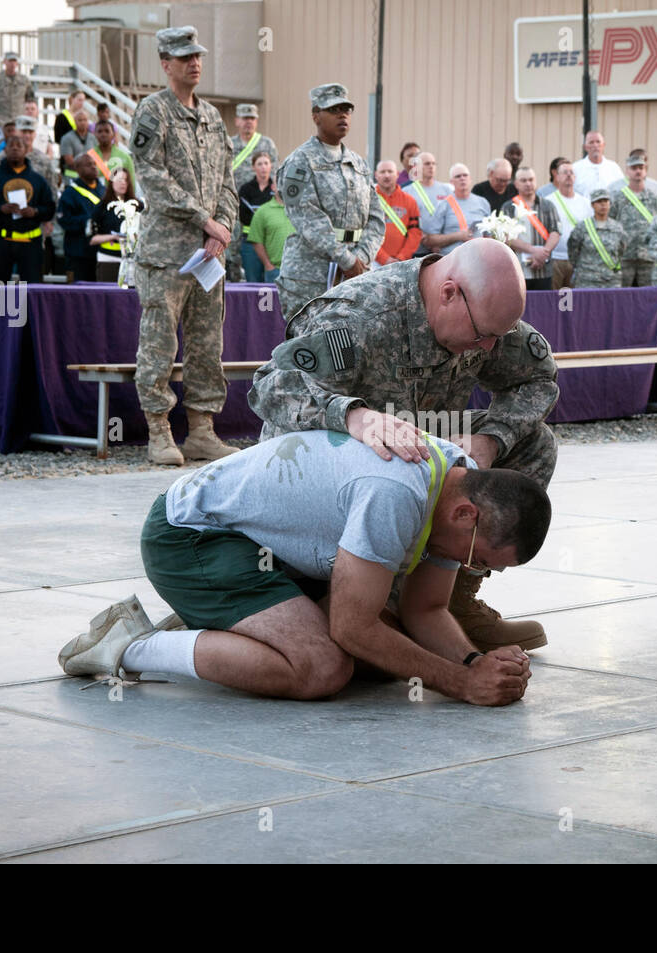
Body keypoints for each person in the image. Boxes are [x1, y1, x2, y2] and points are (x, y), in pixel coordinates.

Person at [59, 430, 551, 705]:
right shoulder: (397, 492)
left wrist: (473, 663)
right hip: (192, 535)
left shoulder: (456, 481)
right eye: (476, 561)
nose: (471, 570)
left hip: (266, 548)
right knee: (321, 668)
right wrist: (462, 685)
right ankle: (129, 644)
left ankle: (220, 622)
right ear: (467, 515)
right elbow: (352, 628)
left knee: (386, 658)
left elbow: (426, 609)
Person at [248, 238, 559, 652]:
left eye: (496, 338)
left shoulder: (481, 316)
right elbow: (270, 386)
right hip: (335, 477)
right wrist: (354, 416)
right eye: (483, 335)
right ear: (449, 293)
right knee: (348, 658)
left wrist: (489, 440)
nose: (488, 348)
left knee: (535, 443)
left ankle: (450, 601)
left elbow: (539, 379)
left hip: (412, 458)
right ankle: (368, 605)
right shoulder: (363, 315)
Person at [130, 26, 240, 466]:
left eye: (198, 56)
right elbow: (153, 177)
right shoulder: (152, 112)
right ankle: (158, 432)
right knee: (159, 344)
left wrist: (224, 224)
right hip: (168, 255)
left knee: (206, 343)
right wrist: (204, 219)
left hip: (210, 255)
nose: (195, 63)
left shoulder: (213, 117)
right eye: (185, 58)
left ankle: (200, 431)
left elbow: (228, 181)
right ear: (165, 64)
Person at [275, 82, 386, 323]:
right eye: (334, 110)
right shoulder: (299, 162)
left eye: (346, 110)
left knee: (345, 347)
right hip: (310, 275)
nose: (342, 115)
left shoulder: (358, 164)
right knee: (308, 349)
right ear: (316, 115)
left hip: (354, 272)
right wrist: (347, 260)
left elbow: (377, 218)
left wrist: (362, 258)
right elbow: (308, 218)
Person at [0, 132, 56, 283]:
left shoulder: (38, 180)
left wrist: (35, 211)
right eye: (11, 145)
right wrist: (0, 209)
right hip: (1, 241)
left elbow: (50, 209)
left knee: (32, 289)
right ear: (5, 150)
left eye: (19, 146)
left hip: (31, 243)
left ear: (26, 150)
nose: (15, 149)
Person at [611, 153, 657, 287]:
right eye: (634, 168)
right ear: (627, 171)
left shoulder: (655, 199)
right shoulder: (618, 198)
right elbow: (610, 225)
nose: (638, 171)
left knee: (647, 299)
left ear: (645, 171)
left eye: (641, 168)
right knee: (622, 298)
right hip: (624, 258)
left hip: (648, 259)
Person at [505, 165, 560, 291]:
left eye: (531, 180)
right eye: (523, 181)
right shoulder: (508, 207)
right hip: (518, 271)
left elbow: (556, 231)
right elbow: (506, 237)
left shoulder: (548, 205)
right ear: (516, 184)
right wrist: (533, 251)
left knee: (544, 308)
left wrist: (543, 254)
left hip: (544, 270)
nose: (528, 184)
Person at [545, 159, 592, 290]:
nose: (569, 175)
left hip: (577, 260)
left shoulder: (585, 203)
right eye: (565, 172)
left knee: (575, 300)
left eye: (571, 172)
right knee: (554, 298)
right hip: (555, 259)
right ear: (557, 177)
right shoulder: (548, 202)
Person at [424, 163, 490, 254]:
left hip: (479, 258)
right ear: (451, 182)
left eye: (465, 175)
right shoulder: (444, 204)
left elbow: (489, 235)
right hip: (452, 260)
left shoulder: (483, 203)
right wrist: (457, 236)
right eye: (458, 176)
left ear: (470, 179)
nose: (462, 178)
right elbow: (430, 240)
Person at [567, 188, 626, 288]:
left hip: (610, 280)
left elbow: (621, 250)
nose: (603, 205)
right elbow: (573, 251)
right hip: (587, 280)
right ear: (592, 205)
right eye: (599, 202)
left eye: (606, 201)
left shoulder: (618, 228)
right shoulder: (582, 227)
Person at [57, 153, 103, 282]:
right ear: (77, 169)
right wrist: (86, 222)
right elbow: (63, 220)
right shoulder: (70, 193)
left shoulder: (104, 190)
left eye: (94, 164)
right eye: (89, 165)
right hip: (78, 254)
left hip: (100, 253)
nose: (94, 167)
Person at [90, 167, 137, 283]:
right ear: (111, 182)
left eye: (126, 180)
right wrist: (114, 237)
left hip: (132, 261)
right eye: (119, 179)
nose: (123, 183)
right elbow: (91, 239)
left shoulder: (137, 206)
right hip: (108, 259)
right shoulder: (101, 207)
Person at [373, 158, 421, 266]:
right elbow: (364, 234)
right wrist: (384, 258)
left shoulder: (410, 201)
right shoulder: (368, 200)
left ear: (397, 174)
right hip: (373, 261)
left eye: (390, 171)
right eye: (382, 172)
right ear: (376, 175)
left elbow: (415, 233)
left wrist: (401, 257)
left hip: (402, 262)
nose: (386, 175)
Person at [402, 150, 452, 253]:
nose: (431, 166)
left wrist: (441, 241)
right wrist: (429, 242)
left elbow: (452, 218)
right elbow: (404, 223)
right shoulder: (406, 192)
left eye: (434, 163)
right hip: (417, 251)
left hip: (444, 250)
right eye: (427, 164)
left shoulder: (447, 190)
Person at [237, 151, 275, 280]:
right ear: (253, 167)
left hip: (273, 242)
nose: (263, 167)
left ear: (271, 166)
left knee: (273, 283)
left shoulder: (277, 190)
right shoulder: (245, 190)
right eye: (259, 164)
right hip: (250, 243)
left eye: (266, 163)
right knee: (253, 282)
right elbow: (243, 217)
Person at [0, 52, 34, 145]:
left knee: (19, 150)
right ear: (4, 62)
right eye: (10, 61)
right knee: (0, 151)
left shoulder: (24, 80)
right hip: (1, 122)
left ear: (17, 63)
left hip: (19, 123)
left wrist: (29, 119)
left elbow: (31, 100)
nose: (12, 64)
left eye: (14, 61)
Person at [247, 178, 294, 281]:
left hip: (300, 271)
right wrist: (268, 265)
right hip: (275, 271)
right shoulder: (263, 211)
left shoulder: (301, 210)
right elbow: (256, 240)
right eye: (280, 182)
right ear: (273, 187)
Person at [229, 102, 277, 193]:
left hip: (261, 198)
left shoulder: (267, 144)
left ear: (256, 121)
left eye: (252, 118)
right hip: (235, 198)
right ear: (237, 121)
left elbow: (274, 172)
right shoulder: (229, 144)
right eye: (245, 118)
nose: (249, 122)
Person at [573, 130, 625, 196]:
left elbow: (622, 191)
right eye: (591, 142)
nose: (595, 145)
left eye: (598, 142)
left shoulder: (613, 168)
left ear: (603, 145)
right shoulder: (576, 168)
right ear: (585, 147)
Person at [90, 117, 134, 188]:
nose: (103, 134)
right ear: (94, 134)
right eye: (100, 131)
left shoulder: (125, 157)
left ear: (113, 134)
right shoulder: (89, 156)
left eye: (107, 131)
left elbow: (131, 184)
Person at [59, 105, 96, 181]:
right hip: (72, 176)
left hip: (89, 176)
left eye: (85, 120)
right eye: (80, 120)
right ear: (75, 121)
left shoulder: (93, 138)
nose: (83, 122)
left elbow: (97, 157)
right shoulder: (67, 138)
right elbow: (69, 160)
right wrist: (84, 171)